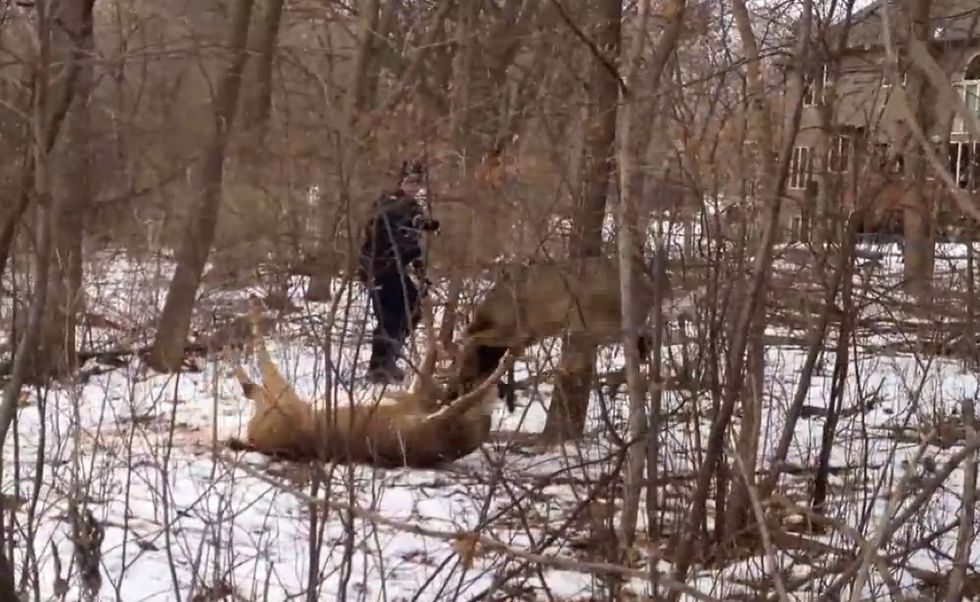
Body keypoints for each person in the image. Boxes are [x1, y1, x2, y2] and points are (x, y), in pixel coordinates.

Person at [357, 160, 440, 384]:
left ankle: (390, 358)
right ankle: (378, 367)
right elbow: (390, 223)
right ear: (400, 182)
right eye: (409, 182)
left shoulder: (414, 207)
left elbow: (412, 247)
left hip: (396, 269)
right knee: (388, 317)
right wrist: (416, 222)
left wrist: (420, 272)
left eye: (417, 183)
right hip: (378, 268)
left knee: (412, 309)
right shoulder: (388, 203)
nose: (414, 187)